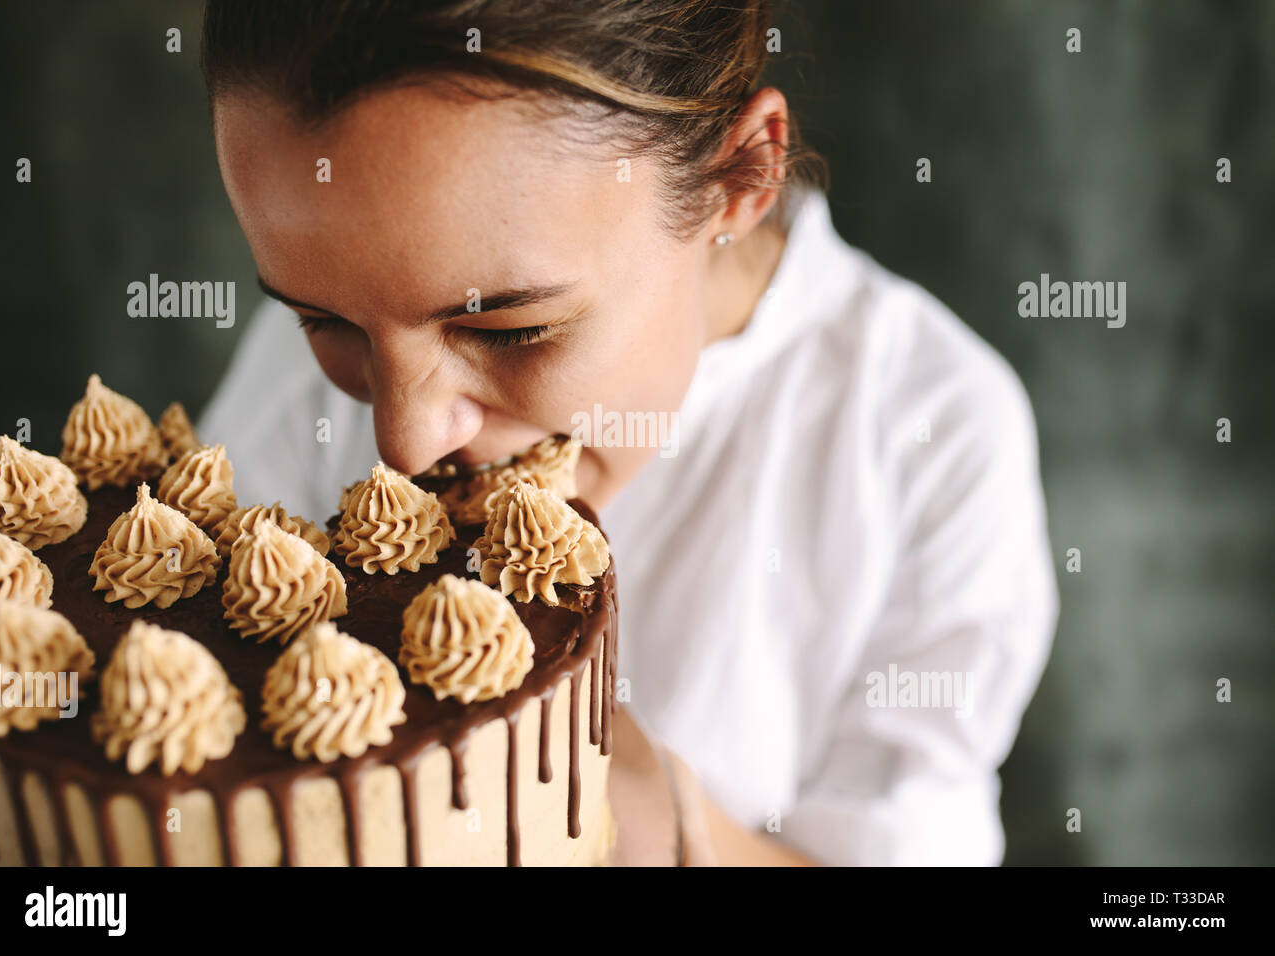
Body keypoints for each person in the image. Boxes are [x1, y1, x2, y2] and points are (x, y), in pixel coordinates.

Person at [197, 0, 1058, 865]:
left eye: (509, 332)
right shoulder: (359, 304)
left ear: (740, 179)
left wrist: (664, 823)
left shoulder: (930, 429)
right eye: (325, 323)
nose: (405, 444)